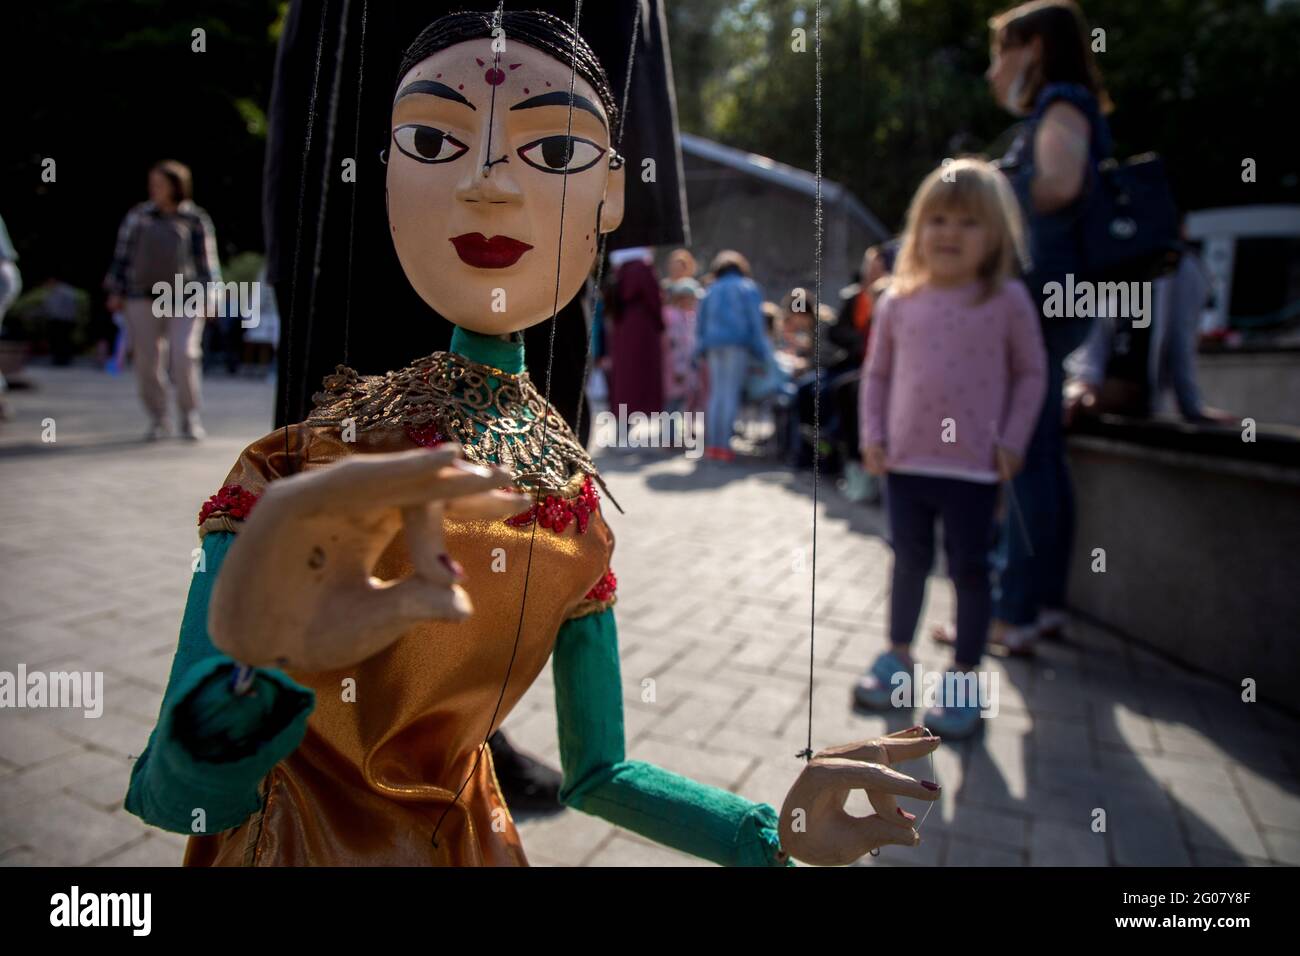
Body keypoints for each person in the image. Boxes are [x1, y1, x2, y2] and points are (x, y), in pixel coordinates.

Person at [124, 10, 941, 867]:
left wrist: (778, 836)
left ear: (613, 195)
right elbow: (172, 795)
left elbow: (602, 771)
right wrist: (255, 672)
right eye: (434, 142)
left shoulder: (570, 512)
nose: (489, 184)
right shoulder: (303, 465)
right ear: (385, 172)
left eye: (553, 152)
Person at [856, 159, 1047, 739]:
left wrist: (1013, 440)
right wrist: (872, 434)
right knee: (908, 561)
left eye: (968, 222)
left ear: (996, 235)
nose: (949, 233)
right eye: (937, 219)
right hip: (907, 464)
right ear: (917, 228)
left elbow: (1031, 374)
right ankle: (897, 659)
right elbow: (877, 376)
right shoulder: (896, 301)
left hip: (974, 470)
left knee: (970, 572)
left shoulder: (1007, 299)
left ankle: (964, 678)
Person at [984, 0, 1113, 652]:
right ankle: (1045, 605)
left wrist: (991, 193)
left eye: (1000, 50)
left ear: (1032, 46)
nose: (993, 69)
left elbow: (1057, 185)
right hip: (1062, 295)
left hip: (1043, 297)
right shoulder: (1074, 103)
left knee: (1025, 454)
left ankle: (1014, 611)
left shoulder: (1060, 103)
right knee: (1043, 455)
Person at [105, 160, 221, 441]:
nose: (153, 188)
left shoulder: (194, 219)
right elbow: (123, 256)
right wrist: (115, 290)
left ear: (176, 186)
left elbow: (208, 262)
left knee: (184, 354)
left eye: (160, 183)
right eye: (152, 183)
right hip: (140, 298)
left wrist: (211, 296)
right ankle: (158, 418)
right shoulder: (139, 216)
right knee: (147, 361)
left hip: (185, 297)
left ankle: (189, 416)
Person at [1065, 243, 1234, 423]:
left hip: (1140, 396)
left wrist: (1191, 405)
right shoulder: (1114, 252)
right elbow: (1097, 325)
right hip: (1102, 386)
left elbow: (1181, 342)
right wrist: (1085, 381)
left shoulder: (1182, 267)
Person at [695, 250, 771, 462]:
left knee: (716, 394)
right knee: (729, 395)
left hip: (712, 346)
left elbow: (700, 323)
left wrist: (698, 350)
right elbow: (756, 323)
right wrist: (764, 353)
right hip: (737, 346)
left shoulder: (710, 290)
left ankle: (712, 445)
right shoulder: (748, 288)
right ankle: (724, 446)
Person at [605, 246, 665, 427]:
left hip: (622, 327)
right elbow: (653, 298)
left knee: (624, 376)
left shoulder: (619, 270)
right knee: (639, 375)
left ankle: (622, 422)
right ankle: (634, 418)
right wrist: (660, 323)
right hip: (642, 328)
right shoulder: (642, 269)